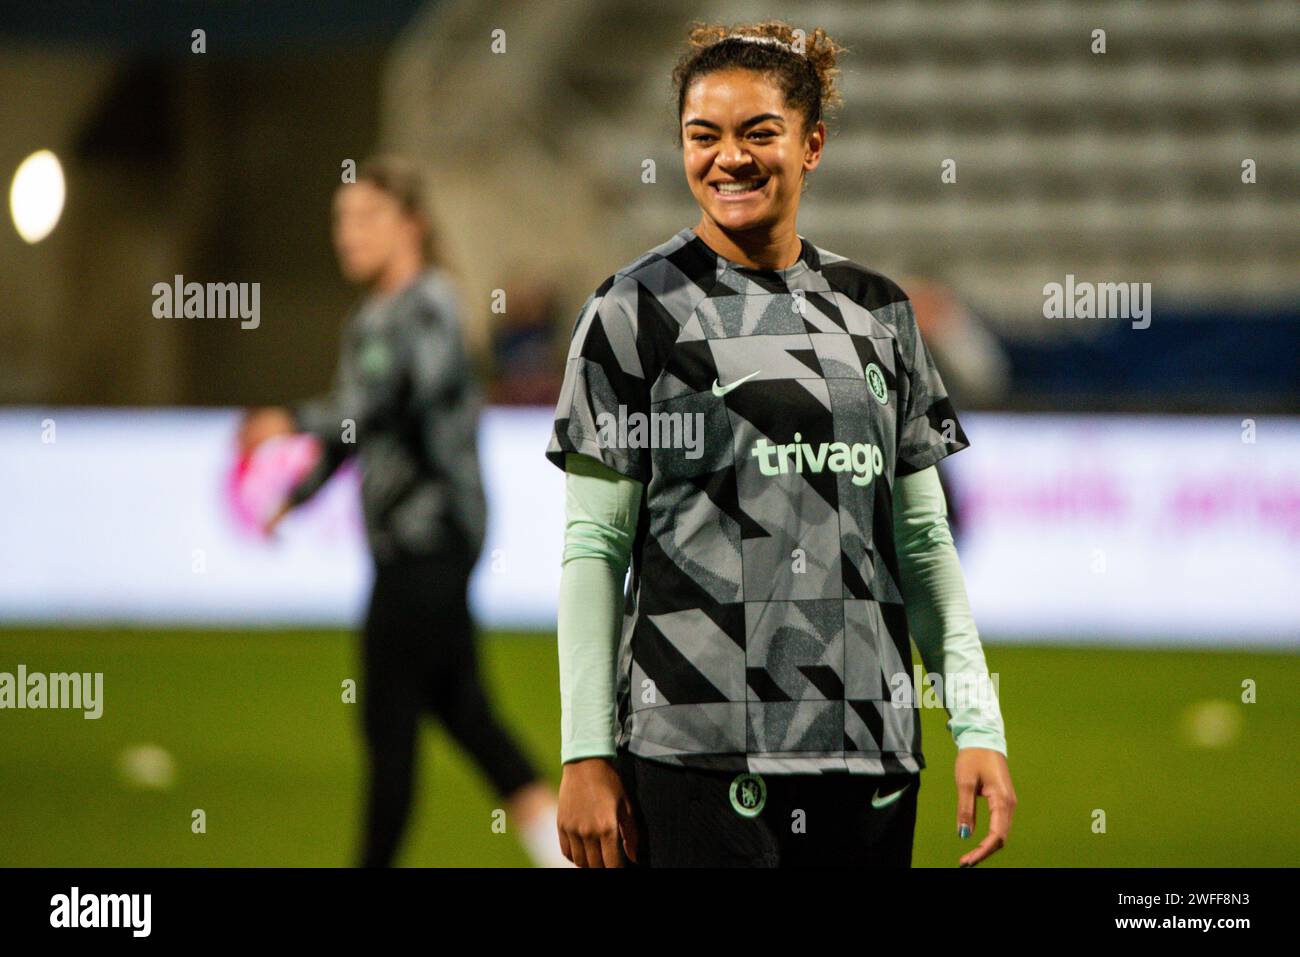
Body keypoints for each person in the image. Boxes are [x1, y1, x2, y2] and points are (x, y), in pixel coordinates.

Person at [545, 21, 1017, 867]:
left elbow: (922, 542)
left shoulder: (882, 313)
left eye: (759, 131)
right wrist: (585, 751)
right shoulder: (631, 313)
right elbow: (594, 546)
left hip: (869, 746)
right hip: (694, 745)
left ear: (812, 145)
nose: (730, 157)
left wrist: (977, 722)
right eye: (704, 135)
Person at [239, 155, 567, 867]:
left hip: (435, 537)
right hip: (404, 544)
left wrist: (291, 419)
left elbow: (384, 404)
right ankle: (563, 846)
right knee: (463, 709)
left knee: (387, 716)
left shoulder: (432, 306)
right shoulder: (368, 321)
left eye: (364, 218)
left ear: (410, 224)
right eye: (340, 221)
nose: (346, 234)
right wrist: (295, 497)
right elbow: (356, 433)